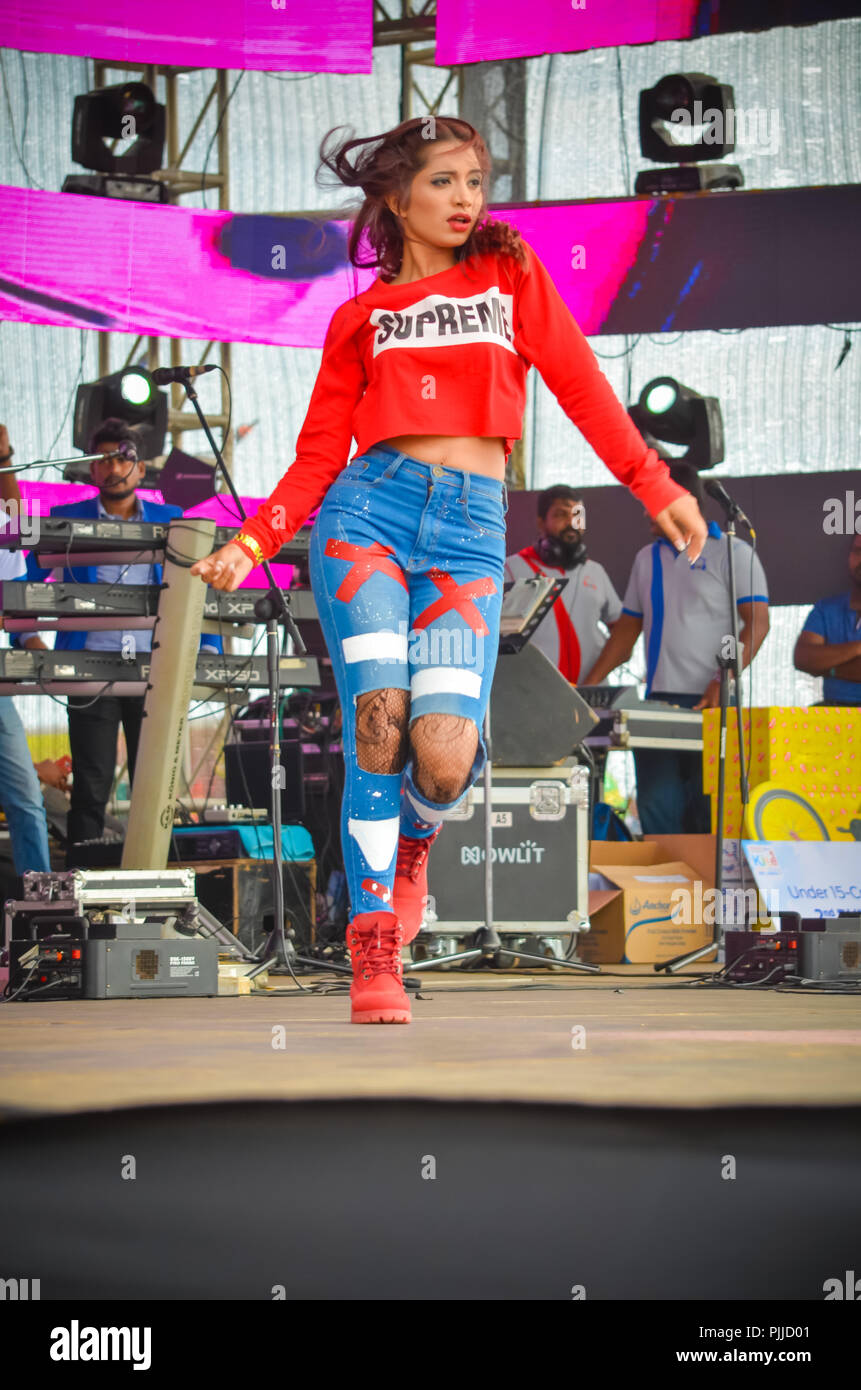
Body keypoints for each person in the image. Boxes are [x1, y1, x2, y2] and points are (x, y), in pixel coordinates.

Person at [190, 116, 706, 1024]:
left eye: (474, 180)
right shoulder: (359, 317)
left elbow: (579, 380)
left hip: (467, 533)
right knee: (379, 722)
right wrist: (255, 540)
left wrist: (651, 482)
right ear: (396, 197)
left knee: (440, 758)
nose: (466, 198)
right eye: (443, 182)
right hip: (367, 517)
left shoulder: (509, 276)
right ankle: (373, 943)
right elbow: (317, 456)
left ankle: (416, 840)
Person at [19, 418, 221, 850]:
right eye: (103, 460)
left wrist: (207, 646)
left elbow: (199, 587)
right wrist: (28, 641)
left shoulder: (174, 521)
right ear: (91, 471)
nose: (113, 467)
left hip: (156, 668)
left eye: (123, 458)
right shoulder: (63, 520)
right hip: (89, 669)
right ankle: (84, 884)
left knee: (156, 782)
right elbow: (22, 583)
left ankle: (160, 874)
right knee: (91, 785)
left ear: (141, 469)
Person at [584, 461, 769, 834]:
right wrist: (585, 689)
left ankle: (705, 893)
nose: (644, 510)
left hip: (714, 701)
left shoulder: (733, 552)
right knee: (658, 805)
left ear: (680, 499)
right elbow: (627, 632)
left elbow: (757, 624)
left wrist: (724, 678)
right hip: (657, 703)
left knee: (709, 809)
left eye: (650, 499)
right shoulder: (646, 558)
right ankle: (664, 892)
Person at [0, 423, 55, 873]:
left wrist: (6, 458)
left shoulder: (8, 526)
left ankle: (38, 912)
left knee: (27, 800)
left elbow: (19, 530)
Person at [505, 484, 622, 684]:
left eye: (578, 515)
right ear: (541, 523)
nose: (572, 522)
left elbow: (621, 629)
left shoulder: (596, 572)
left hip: (589, 695)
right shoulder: (511, 569)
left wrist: (597, 677)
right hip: (531, 692)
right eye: (561, 515)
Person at [793, 533, 861, 705]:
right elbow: (803, 657)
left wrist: (828, 668)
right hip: (834, 711)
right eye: (858, 551)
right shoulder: (827, 608)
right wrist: (858, 648)